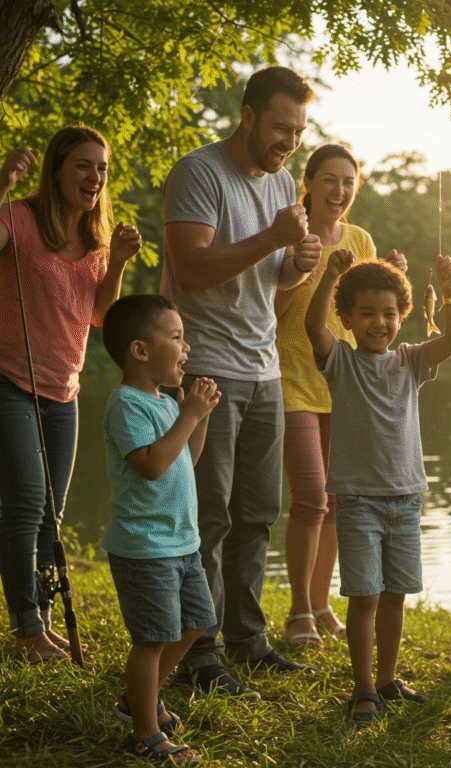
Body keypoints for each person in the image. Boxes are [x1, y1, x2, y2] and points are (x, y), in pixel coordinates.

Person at [161, 65, 321, 696]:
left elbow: (269, 278)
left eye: (299, 131)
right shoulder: (199, 172)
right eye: (280, 126)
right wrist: (274, 239)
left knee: (258, 513)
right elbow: (192, 269)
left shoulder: (280, 181)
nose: (289, 141)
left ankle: (247, 642)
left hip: (265, 369)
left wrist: (297, 266)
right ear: (248, 114)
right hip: (208, 371)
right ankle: (198, 653)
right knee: (207, 518)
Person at [305, 253, 451, 722]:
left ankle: (387, 679)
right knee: (365, 595)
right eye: (368, 313)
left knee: (395, 593)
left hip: (406, 498)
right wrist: (331, 275)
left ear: (404, 316)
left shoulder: (412, 361)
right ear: (348, 318)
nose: (380, 322)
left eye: (390, 314)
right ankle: (363, 689)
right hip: (357, 501)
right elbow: (313, 327)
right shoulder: (339, 361)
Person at [0, 126, 141, 663]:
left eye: (101, 168)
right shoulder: (20, 218)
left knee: (52, 512)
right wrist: (2, 181)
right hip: (9, 380)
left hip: (65, 388)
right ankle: (27, 627)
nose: (95, 177)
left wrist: (121, 259)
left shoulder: (95, 238)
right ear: (58, 169)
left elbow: (102, 314)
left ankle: (44, 616)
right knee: (26, 502)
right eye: (84, 165)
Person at [274, 144, 407, 646]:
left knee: (334, 500)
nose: (339, 191)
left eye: (348, 181)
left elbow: (369, 309)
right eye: (329, 180)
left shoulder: (360, 238)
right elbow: (269, 305)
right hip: (291, 379)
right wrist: (306, 270)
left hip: (343, 384)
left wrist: (392, 273)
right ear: (307, 183)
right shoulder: (290, 232)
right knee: (310, 495)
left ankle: (321, 601)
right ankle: (298, 611)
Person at [101, 295, 219, 763]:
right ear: (140, 350)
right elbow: (151, 466)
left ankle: (138, 701)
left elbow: (184, 459)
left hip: (182, 541)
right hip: (145, 546)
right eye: (176, 337)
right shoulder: (126, 405)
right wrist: (188, 415)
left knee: (194, 624)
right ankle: (145, 733)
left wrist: (198, 417)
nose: (185, 347)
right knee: (151, 639)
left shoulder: (169, 403)